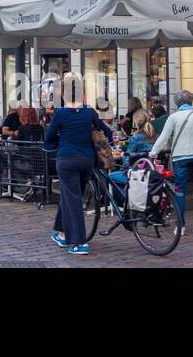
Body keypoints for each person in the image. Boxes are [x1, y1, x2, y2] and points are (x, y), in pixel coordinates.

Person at [44, 81, 115, 255]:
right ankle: (61, 232)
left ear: (64, 96)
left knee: (73, 199)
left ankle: (79, 242)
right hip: (87, 159)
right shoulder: (89, 112)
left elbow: (49, 137)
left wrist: (55, 142)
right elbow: (106, 130)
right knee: (71, 195)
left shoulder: (60, 113)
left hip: (67, 159)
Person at [151, 90, 193, 236]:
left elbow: (163, 138)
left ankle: (180, 226)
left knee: (180, 190)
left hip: (180, 157)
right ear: (192, 101)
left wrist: (152, 154)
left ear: (177, 103)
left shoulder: (173, 117)